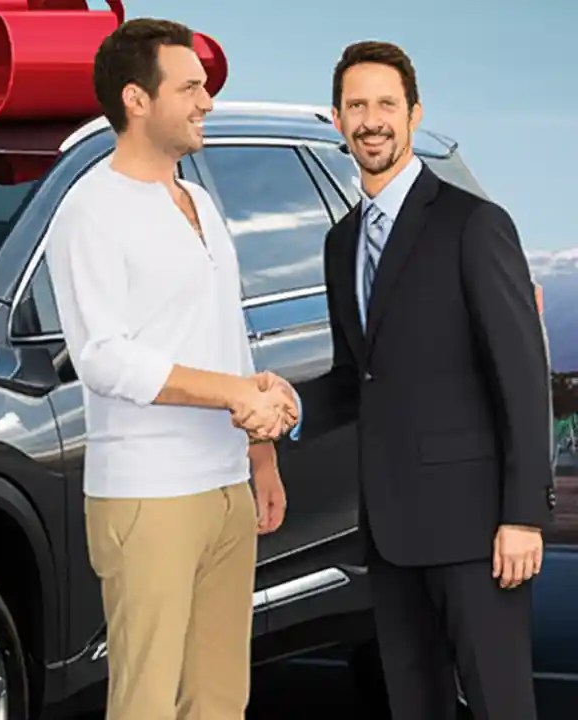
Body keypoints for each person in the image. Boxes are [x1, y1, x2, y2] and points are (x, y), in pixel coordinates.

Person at [281, 40, 556, 720]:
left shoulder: (474, 225)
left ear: (413, 113)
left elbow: (522, 376)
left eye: (385, 104)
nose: (371, 120)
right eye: (356, 106)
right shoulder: (341, 242)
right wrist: (287, 405)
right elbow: (359, 376)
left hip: (477, 530)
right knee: (415, 707)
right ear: (337, 120)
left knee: (501, 707)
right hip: (389, 530)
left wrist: (523, 515)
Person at [44, 18, 301, 720]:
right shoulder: (90, 211)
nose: (206, 101)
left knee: (221, 700)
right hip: (148, 498)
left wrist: (260, 450)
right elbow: (102, 355)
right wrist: (233, 395)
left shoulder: (202, 204)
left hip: (225, 490)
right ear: (136, 99)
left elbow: (226, 337)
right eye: (190, 87)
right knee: (148, 703)